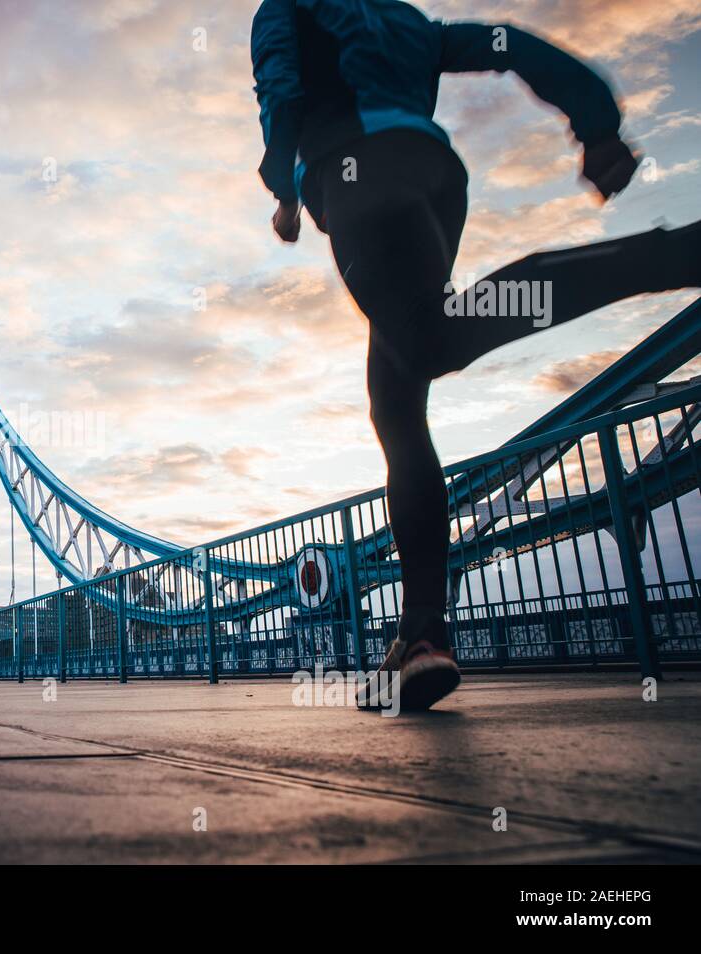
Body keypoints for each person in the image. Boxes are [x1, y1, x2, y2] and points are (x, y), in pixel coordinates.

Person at [251, 0, 700, 710]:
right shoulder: (404, 22)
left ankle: (665, 255)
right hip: (434, 177)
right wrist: (595, 125)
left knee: (430, 343)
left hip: (355, 175)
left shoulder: (287, 8)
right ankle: (422, 639)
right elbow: (509, 44)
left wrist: (281, 189)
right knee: (395, 400)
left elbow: (280, 87)